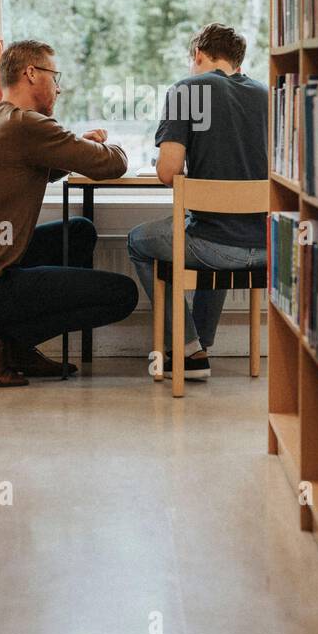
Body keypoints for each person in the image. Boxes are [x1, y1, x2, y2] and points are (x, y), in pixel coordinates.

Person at [0, 39, 138, 386]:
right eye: (54, 76)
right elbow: (112, 163)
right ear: (31, 73)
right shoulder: (27, 124)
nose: (58, 87)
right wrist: (105, 145)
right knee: (122, 294)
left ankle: (10, 344)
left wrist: (75, 146)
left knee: (80, 231)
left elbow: (32, 164)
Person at [127, 23, 267, 381]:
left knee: (140, 241)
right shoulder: (268, 95)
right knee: (205, 228)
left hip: (219, 248)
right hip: (267, 246)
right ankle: (199, 344)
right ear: (238, 60)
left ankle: (189, 349)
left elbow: (167, 171)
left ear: (198, 56)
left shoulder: (188, 90)